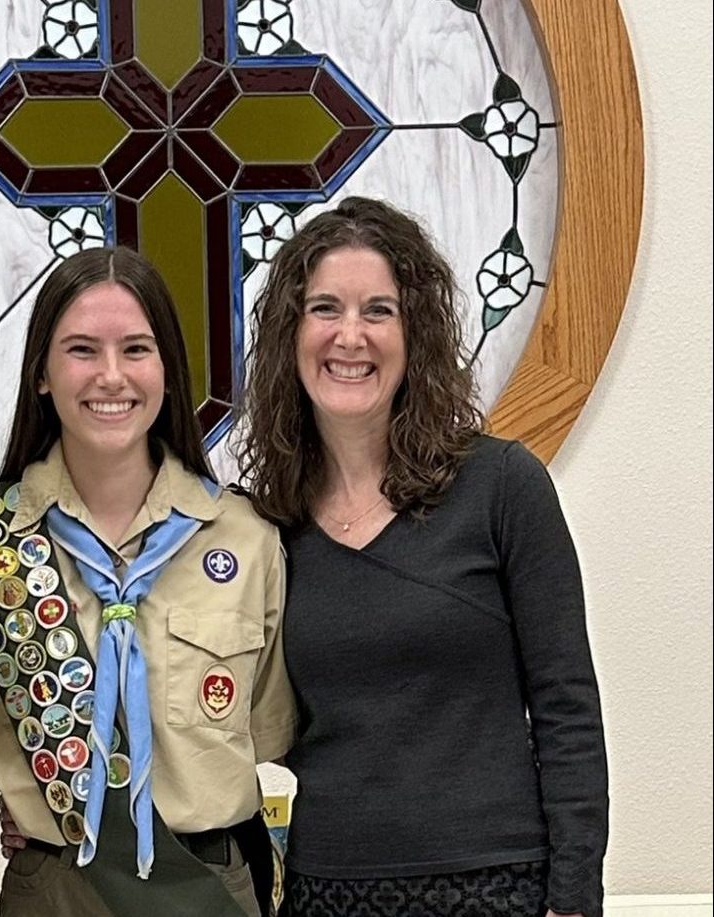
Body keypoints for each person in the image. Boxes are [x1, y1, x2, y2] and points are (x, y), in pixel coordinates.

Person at [236, 196, 608, 917]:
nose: (350, 335)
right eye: (324, 309)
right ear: (290, 333)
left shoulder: (502, 486)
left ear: (415, 334)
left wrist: (573, 898)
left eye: (378, 310)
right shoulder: (267, 525)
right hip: (327, 890)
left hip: (497, 887)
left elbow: (566, 707)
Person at [0, 247, 296, 917]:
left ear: (168, 370)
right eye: (81, 350)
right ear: (41, 374)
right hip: (57, 888)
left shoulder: (245, 538)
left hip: (207, 885)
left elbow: (265, 728)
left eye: (136, 349)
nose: (111, 375)